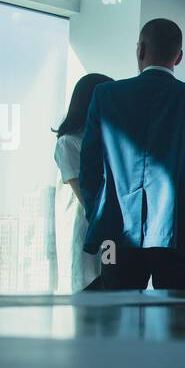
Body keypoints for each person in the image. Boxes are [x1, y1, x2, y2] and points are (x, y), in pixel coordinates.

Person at [79, 18, 185, 290]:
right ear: (178, 57)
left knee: (117, 321)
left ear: (140, 50)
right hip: (181, 233)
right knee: (180, 325)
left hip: (114, 237)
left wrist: (98, 212)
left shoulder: (105, 96)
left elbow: (88, 167)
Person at [53, 73, 112, 292]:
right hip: (83, 236)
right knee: (85, 297)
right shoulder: (69, 143)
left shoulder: (105, 141)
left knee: (109, 293)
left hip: (107, 236)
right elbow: (87, 199)